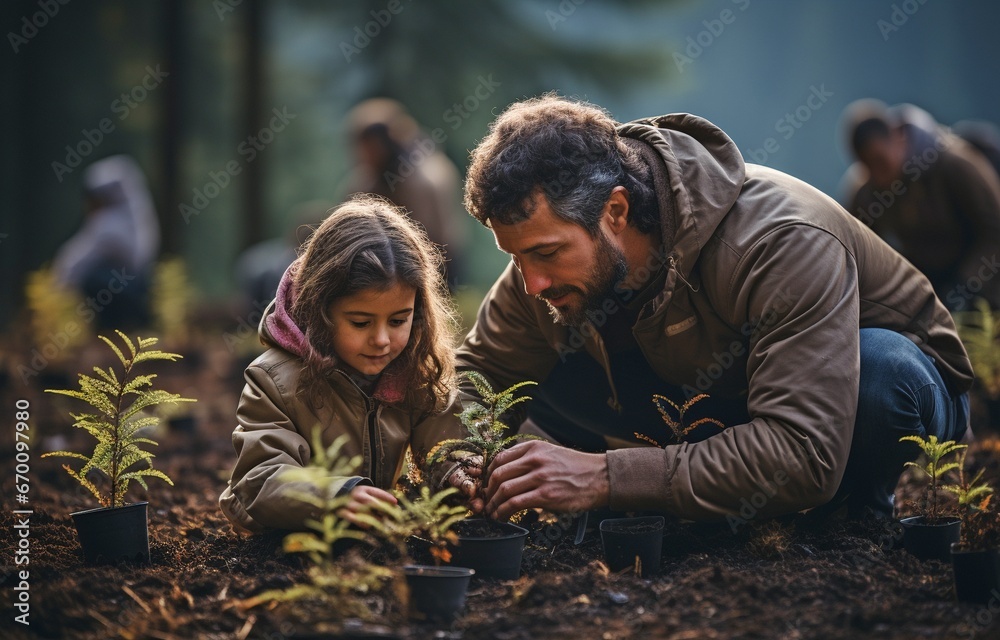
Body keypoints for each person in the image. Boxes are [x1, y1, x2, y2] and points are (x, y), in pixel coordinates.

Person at [455, 95, 974, 525]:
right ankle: (688, 502)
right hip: (729, 401)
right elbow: (472, 376)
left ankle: (854, 515)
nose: (531, 281)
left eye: (545, 253)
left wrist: (604, 477)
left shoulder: (778, 241)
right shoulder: (551, 255)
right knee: (534, 370)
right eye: (516, 257)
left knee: (881, 374)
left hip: (875, 396)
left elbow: (802, 449)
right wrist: (458, 466)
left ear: (615, 211)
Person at [219, 196, 473, 533]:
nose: (381, 340)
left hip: (373, 539)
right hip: (290, 544)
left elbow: (442, 443)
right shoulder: (274, 381)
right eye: (361, 323)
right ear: (319, 310)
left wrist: (457, 471)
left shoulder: (415, 366)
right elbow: (259, 479)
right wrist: (335, 497)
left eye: (398, 321)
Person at [840, 100, 1000, 311]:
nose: (877, 176)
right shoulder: (865, 192)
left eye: (880, 161)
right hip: (930, 292)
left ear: (897, 137)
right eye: (868, 167)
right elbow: (856, 252)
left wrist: (967, 284)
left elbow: (994, 231)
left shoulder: (954, 164)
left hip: (984, 288)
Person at [340, 98, 468, 288]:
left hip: (435, 265)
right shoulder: (366, 181)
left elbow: (436, 238)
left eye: (370, 147)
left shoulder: (421, 180)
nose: (364, 154)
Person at [52, 154, 160, 329]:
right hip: (137, 285)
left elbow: (79, 257)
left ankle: (114, 327)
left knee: (93, 280)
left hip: (125, 288)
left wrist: (58, 282)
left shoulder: (110, 223)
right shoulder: (136, 215)